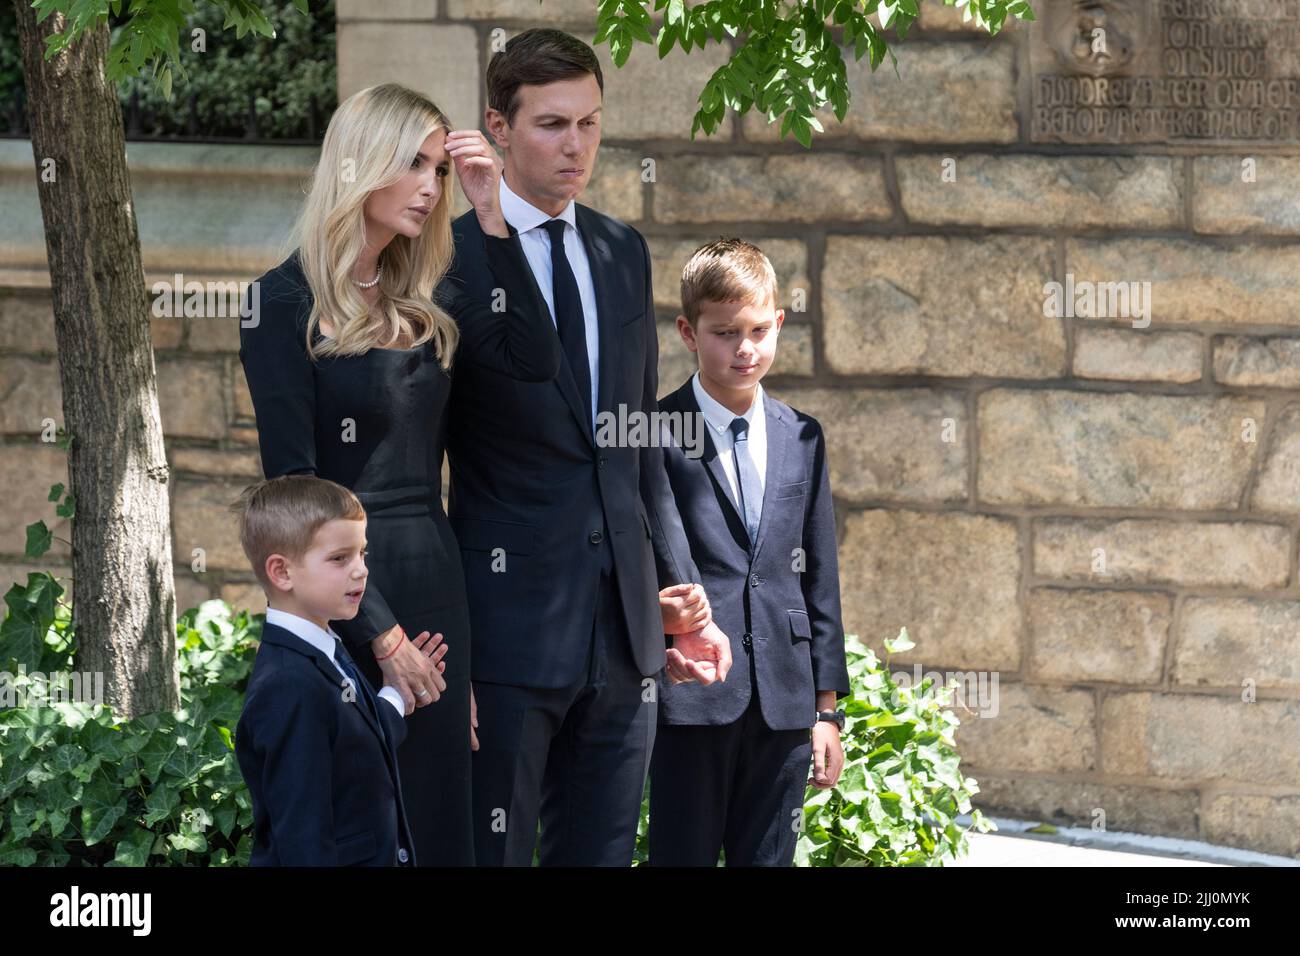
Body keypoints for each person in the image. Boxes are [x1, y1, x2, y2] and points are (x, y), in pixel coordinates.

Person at [238, 83, 560, 866]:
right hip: (344, 593)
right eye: (411, 165)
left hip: (439, 585)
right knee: (360, 826)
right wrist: (379, 635)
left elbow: (534, 357)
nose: (430, 186)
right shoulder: (277, 303)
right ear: (360, 164)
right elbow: (294, 487)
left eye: (438, 170)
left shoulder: (433, 296)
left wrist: (491, 215)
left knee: (445, 823)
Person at [439, 28, 733, 867]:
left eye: (591, 125)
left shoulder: (619, 250)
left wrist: (679, 598)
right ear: (498, 127)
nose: (577, 147)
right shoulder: (448, 263)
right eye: (552, 125)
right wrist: (439, 638)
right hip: (506, 630)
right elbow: (422, 466)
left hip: (623, 631)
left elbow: (638, 440)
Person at [647, 238, 851, 866]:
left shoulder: (804, 435)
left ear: (779, 324)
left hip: (785, 700)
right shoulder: (653, 432)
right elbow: (640, 564)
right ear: (688, 331)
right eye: (725, 332)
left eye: (760, 329)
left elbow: (820, 577)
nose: (745, 348)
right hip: (692, 696)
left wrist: (827, 712)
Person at [231, 474, 445, 866]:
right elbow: (303, 841)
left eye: (363, 553)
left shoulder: (325, 648)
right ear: (281, 572)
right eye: (339, 558)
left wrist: (397, 693)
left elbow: (353, 742)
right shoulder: (288, 685)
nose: (361, 570)